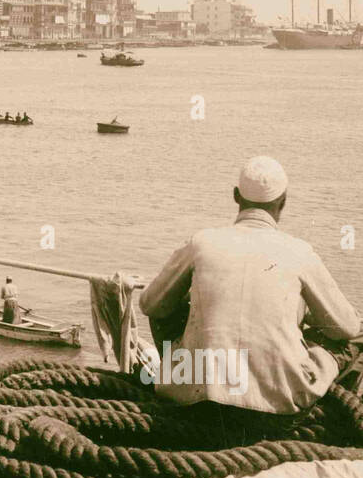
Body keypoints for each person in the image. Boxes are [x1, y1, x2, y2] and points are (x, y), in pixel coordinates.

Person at [139, 156, 362, 415]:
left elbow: (149, 304)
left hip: (196, 400)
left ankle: (185, 377)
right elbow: (346, 328)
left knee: (168, 307)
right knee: (358, 332)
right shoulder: (300, 252)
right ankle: (331, 409)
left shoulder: (201, 242)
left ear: (236, 196)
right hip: (277, 409)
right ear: (284, 201)